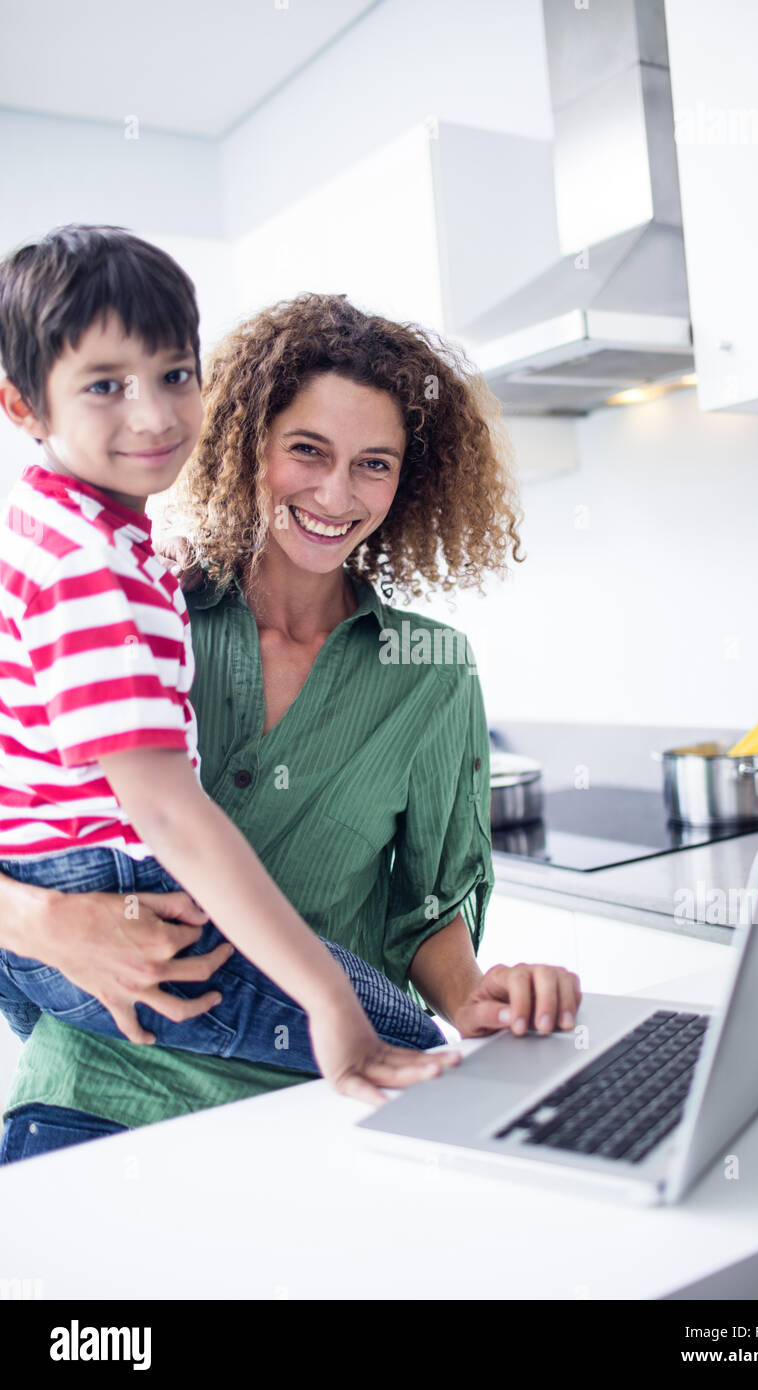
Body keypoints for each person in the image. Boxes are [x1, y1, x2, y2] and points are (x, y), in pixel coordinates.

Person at [0, 276, 582, 1165]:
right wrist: (41, 924)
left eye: (373, 463)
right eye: (306, 450)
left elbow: (422, 910)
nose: (337, 493)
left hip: (329, 1101)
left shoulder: (431, 675)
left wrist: (474, 997)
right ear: (244, 444)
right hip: (96, 1093)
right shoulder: (135, 611)